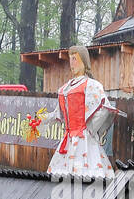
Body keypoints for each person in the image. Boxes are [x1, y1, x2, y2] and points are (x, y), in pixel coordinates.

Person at [48, 45, 117, 179]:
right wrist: (40, 120)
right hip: (68, 141)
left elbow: (105, 109)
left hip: (84, 141)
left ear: (84, 61)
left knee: (86, 176)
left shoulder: (92, 85)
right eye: (70, 59)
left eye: (75, 59)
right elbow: (58, 113)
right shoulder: (65, 88)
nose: (71, 63)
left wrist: (90, 128)